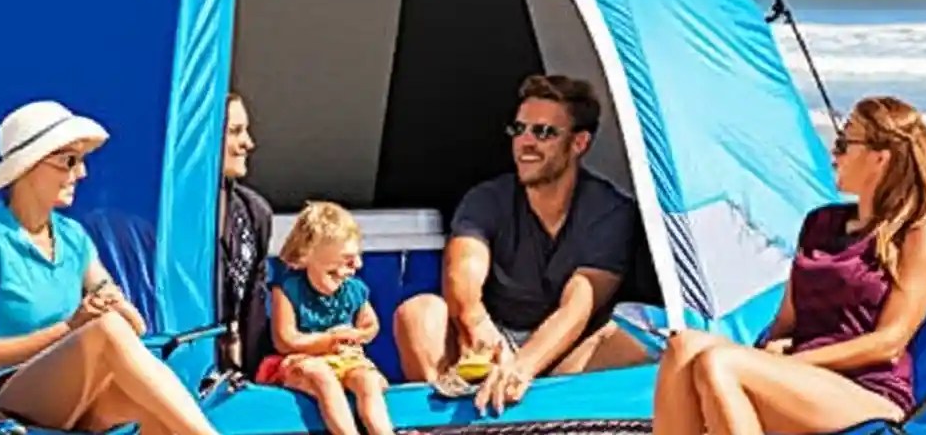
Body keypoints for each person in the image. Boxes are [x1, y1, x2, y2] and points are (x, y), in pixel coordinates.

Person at [637, 95, 926, 435]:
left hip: (864, 391)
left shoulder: (919, 233)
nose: (833, 155)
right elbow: (786, 321)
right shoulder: (820, 223)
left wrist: (791, 362)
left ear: (880, 158)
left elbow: (889, 343)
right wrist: (771, 347)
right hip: (796, 377)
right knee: (682, 346)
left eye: (844, 144)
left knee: (718, 364)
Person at [0, 100, 221, 435]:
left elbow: (133, 324)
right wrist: (71, 327)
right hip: (5, 393)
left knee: (157, 411)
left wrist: (114, 305)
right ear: (28, 166)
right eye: (69, 161)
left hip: (74, 388)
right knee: (105, 331)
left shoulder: (72, 236)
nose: (82, 173)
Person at [393, 74, 639, 416]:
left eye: (543, 132)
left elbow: (578, 305)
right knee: (419, 312)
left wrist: (522, 367)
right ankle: (447, 422)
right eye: (519, 129)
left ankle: (555, 413)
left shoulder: (610, 210)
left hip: (565, 353)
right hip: (490, 342)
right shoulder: (487, 199)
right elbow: (461, 274)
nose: (525, 142)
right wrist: (480, 327)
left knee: (646, 334)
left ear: (579, 143)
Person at [255, 201, 399, 435]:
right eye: (332, 271)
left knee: (368, 381)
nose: (347, 272)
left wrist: (357, 335)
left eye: (353, 263)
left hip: (345, 360)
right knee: (322, 376)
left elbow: (370, 324)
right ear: (304, 259)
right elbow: (285, 340)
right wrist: (329, 341)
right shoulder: (288, 289)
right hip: (302, 360)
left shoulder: (353, 289)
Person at [216, 91, 275, 378]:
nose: (248, 144)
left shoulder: (254, 213)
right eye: (235, 132)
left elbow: (253, 301)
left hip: (234, 375)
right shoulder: (171, 219)